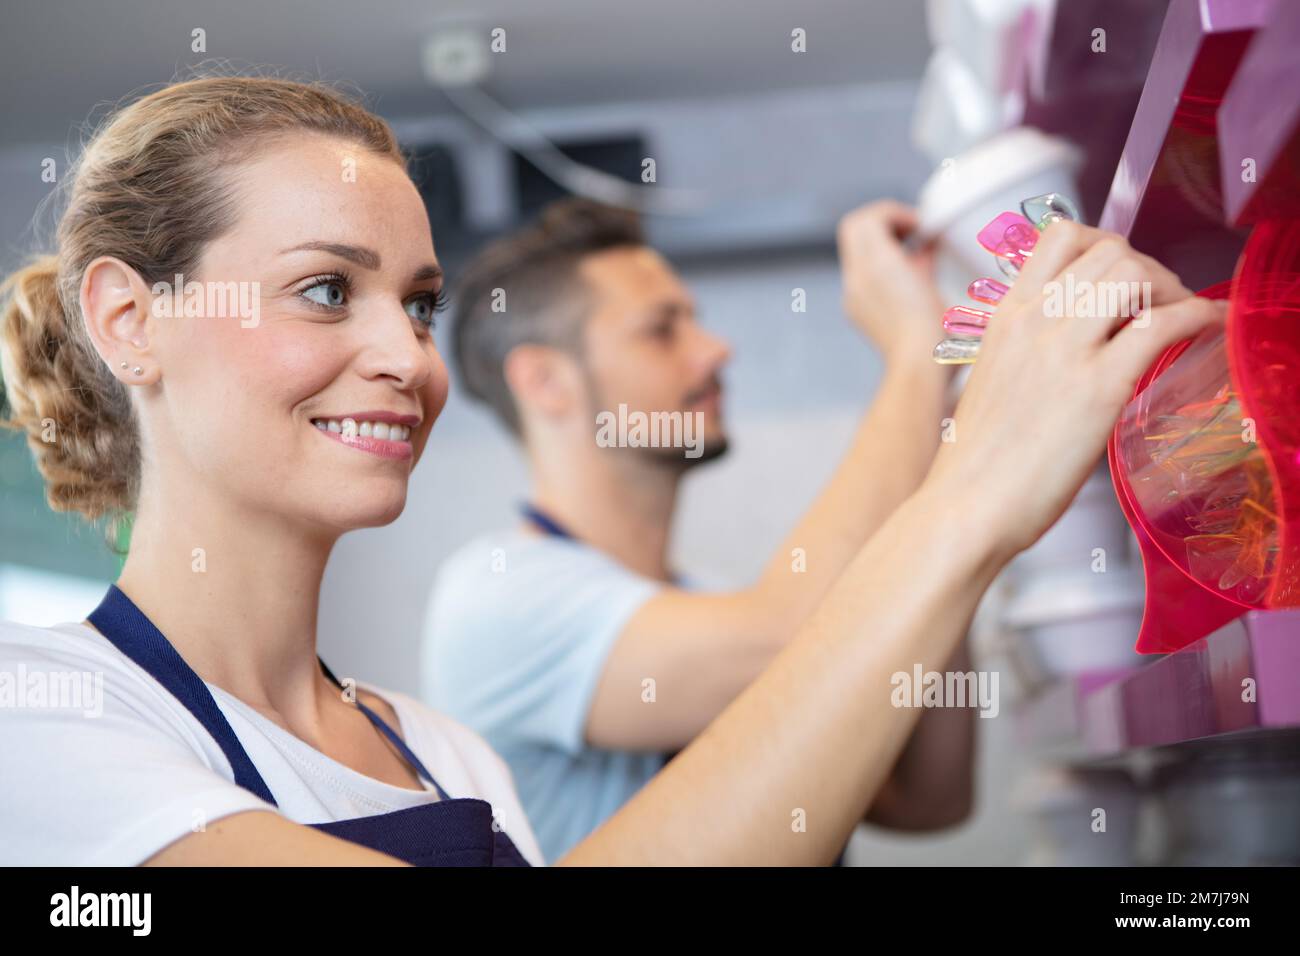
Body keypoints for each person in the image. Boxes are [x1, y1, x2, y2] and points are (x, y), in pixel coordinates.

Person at [0, 74, 1223, 866]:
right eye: (326, 289)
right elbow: (804, 639)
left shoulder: (440, 752)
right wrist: (962, 466)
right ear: (129, 320)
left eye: (417, 304)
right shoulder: (43, 716)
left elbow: (907, 783)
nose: (402, 356)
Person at [423, 197, 976, 862]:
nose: (716, 350)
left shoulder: (714, 607)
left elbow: (927, 802)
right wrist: (920, 351)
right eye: (663, 329)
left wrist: (946, 489)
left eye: (696, 323)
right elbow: (787, 642)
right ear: (545, 382)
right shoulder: (497, 596)